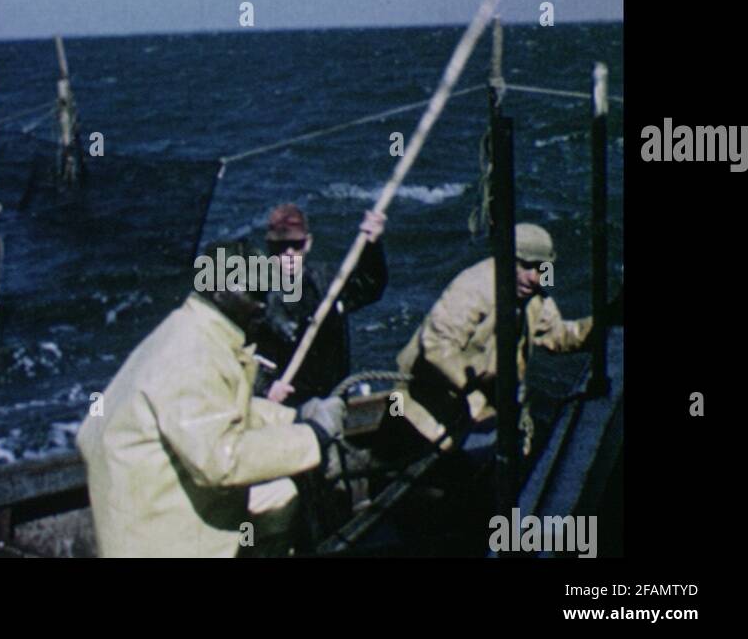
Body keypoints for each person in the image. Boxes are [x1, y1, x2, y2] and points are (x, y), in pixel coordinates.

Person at [76, 240, 347, 558]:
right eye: (254, 294)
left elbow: (223, 408)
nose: (263, 305)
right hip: (156, 534)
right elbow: (221, 462)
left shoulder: (192, 328)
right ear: (219, 291)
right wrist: (313, 437)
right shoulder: (192, 355)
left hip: (152, 494)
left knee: (279, 496)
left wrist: (292, 418)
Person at [393, 223, 592, 456]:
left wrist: (602, 324)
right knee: (479, 463)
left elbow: (556, 335)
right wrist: (482, 391)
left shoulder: (535, 292)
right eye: (526, 266)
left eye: (541, 268)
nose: (534, 278)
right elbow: (437, 348)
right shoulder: (473, 287)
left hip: (485, 401)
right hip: (426, 404)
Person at [254, 203, 388, 406]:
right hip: (281, 406)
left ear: (308, 243)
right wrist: (265, 388)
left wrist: (372, 244)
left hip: (330, 400)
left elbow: (370, 287)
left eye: (296, 245)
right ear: (269, 246)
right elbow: (242, 356)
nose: (289, 253)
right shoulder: (256, 296)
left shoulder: (327, 282)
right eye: (281, 246)